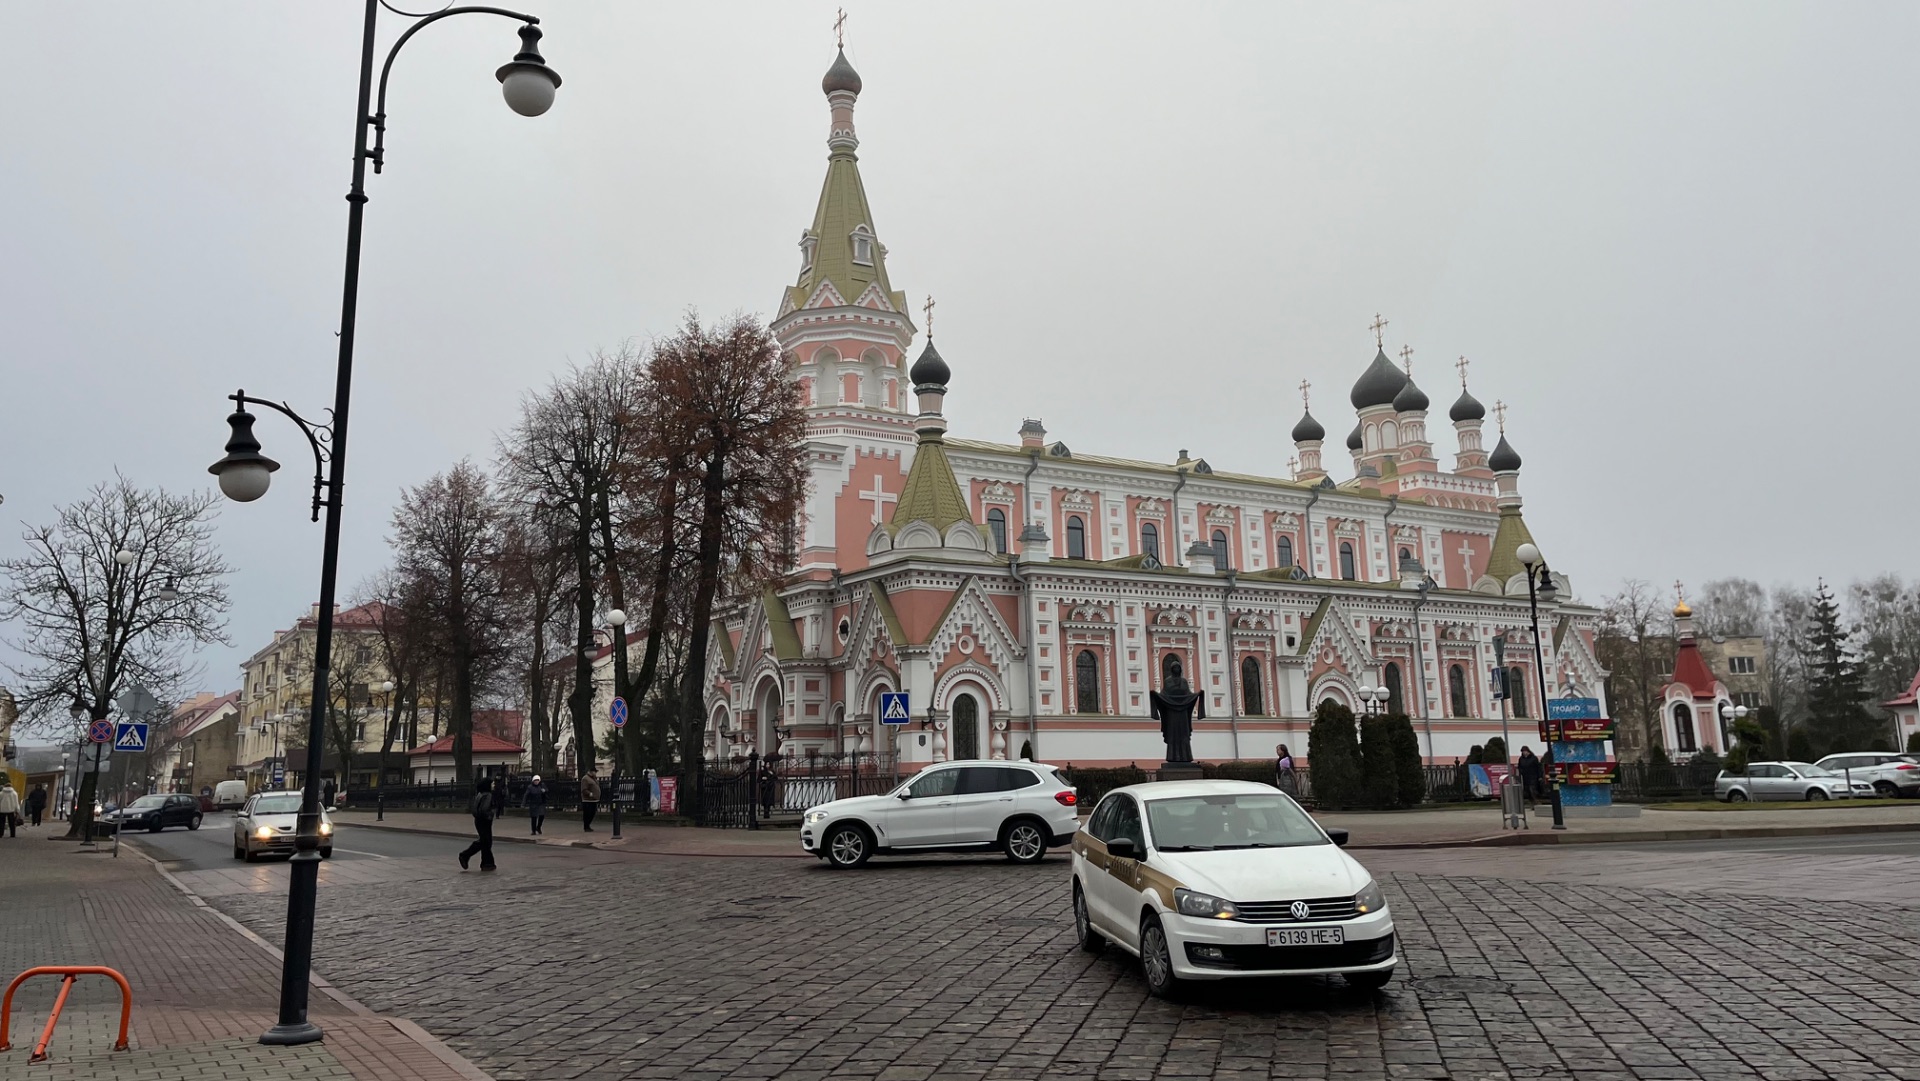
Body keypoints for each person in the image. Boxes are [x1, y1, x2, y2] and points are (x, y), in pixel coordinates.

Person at [458, 778, 497, 871]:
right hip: (484, 820)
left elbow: (475, 809)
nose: (493, 785)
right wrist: (490, 814)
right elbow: (484, 809)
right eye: (492, 784)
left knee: (486, 842)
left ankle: (487, 863)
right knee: (485, 841)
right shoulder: (488, 795)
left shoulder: (480, 794)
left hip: (478, 820)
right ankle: (465, 855)